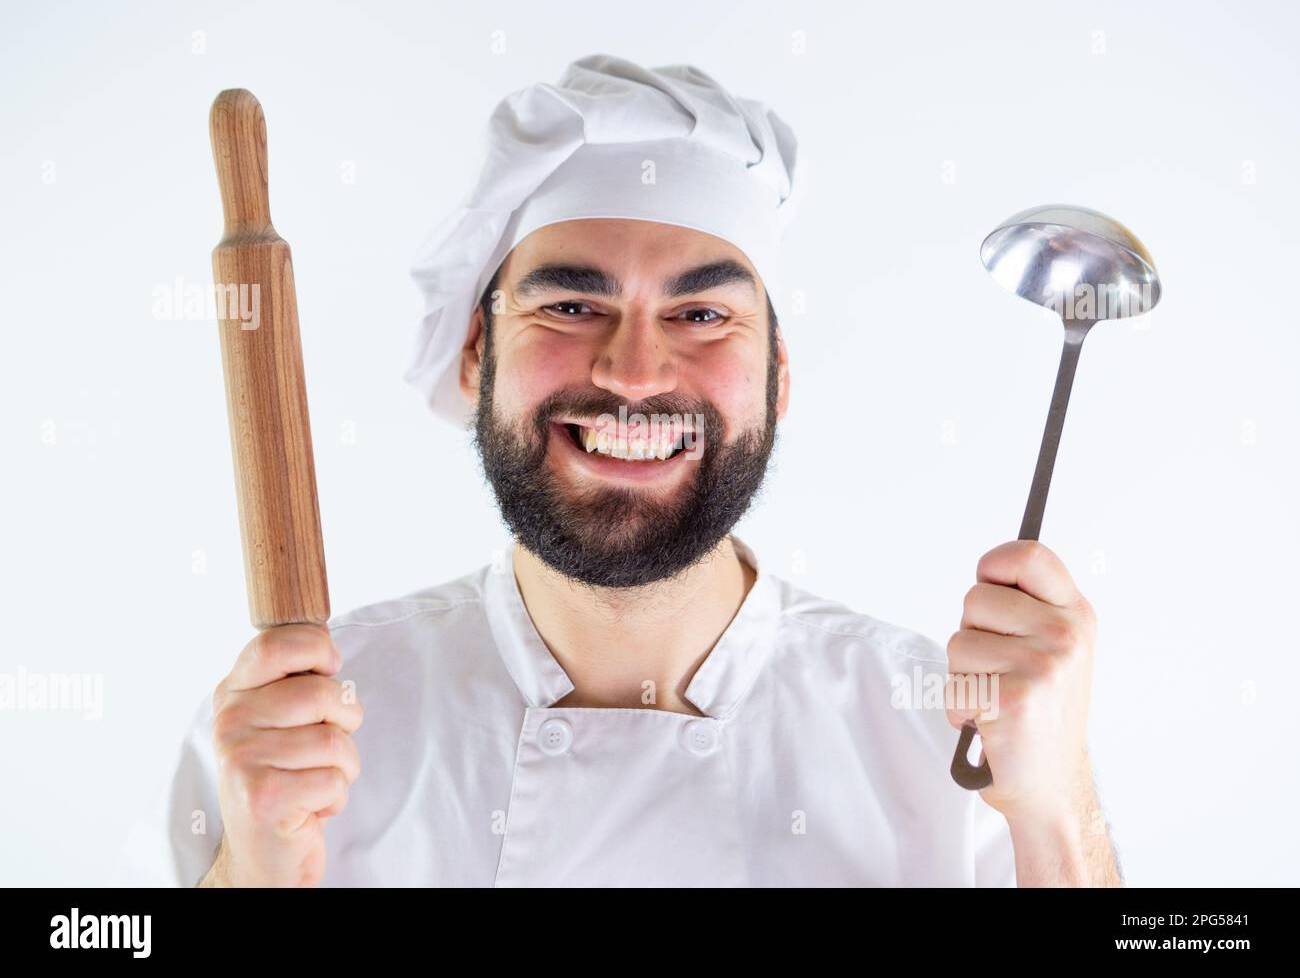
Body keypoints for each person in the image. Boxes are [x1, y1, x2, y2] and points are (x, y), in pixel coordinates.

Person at [123, 53, 1121, 887]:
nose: (633, 374)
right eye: (568, 306)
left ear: (776, 375)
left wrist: (1054, 813)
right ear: (477, 355)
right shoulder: (290, 731)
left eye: (699, 314)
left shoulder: (947, 739)